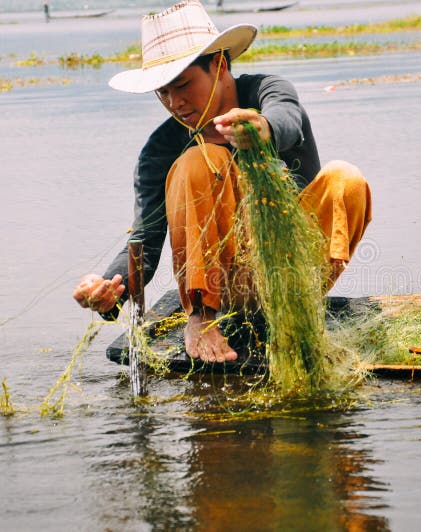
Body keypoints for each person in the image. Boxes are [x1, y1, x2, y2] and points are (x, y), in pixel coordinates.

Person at [73, 0, 371, 363]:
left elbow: (286, 119)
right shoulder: (160, 151)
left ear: (219, 64)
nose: (174, 102)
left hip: (291, 274)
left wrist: (262, 129)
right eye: (163, 93)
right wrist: (110, 287)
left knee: (346, 178)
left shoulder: (267, 92)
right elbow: (145, 243)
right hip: (226, 284)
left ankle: (298, 311)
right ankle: (201, 318)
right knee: (201, 158)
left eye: (182, 85)